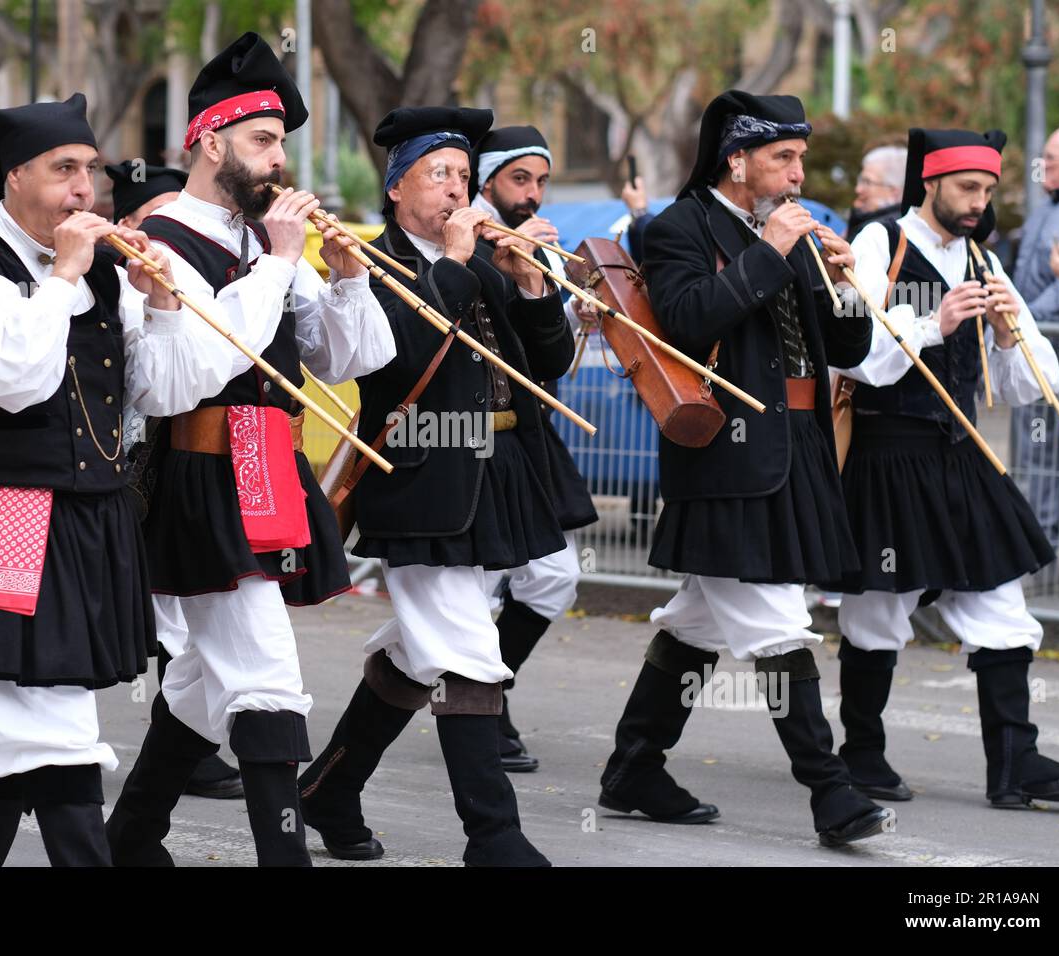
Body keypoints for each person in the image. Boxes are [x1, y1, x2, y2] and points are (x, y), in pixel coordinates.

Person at [0, 93, 230, 866]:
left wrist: (162, 310)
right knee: (36, 719)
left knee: (19, 721)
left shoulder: (110, 279)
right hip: (10, 512)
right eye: (63, 170)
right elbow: (18, 379)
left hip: (96, 517)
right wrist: (62, 275)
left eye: (90, 169)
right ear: (14, 179)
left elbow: (163, 394)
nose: (85, 189)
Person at [103, 32, 394, 867]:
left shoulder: (265, 240)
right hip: (198, 471)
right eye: (263, 141)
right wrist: (278, 264)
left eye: (280, 144)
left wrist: (344, 275)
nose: (277, 160)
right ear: (208, 141)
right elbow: (192, 371)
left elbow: (350, 360)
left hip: (268, 462)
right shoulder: (161, 237)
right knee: (264, 674)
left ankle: (129, 837)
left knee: (202, 677)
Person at [597, 89, 891, 847]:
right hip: (725, 455)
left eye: (800, 159)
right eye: (783, 159)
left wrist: (847, 280)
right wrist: (771, 254)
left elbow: (847, 350)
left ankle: (633, 768)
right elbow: (691, 321)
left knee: (698, 620)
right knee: (773, 620)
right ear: (737, 161)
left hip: (796, 448)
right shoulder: (679, 227)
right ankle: (832, 794)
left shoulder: (782, 232)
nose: (798, 175)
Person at [299, 105, 571, 867]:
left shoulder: (482, 258)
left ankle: (329, 790)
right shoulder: (372, 260)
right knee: (464, 648)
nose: (455, 191)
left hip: (496, 475)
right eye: (438, 175)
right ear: (397, 187)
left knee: (421, 656)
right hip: (420, 478)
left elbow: (545, 366)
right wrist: (452, 264)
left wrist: (530, 284)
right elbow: (399, 356)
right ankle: (494, 837)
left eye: (462, 176)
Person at [834, 127, 1059, 810]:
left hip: (961, 451)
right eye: (968, 188)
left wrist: (1009, 336)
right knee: (878, 612)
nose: (980, 202)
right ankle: (860, 755)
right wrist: (932, 323)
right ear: (932, 183)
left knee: (1002, 608)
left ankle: (1015, 763)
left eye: (988, 189)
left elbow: (1028, 386)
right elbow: (851, 353)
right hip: (887, 453)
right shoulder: (879, 244)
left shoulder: (984, 257)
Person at [105, 157, 244, 800]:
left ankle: (182, 759)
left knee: (180, 620)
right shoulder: (106, 277)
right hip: (121, 454)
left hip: (166, 450)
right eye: (143, 222)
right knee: (164, 613)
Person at [470, 124, 597, 772]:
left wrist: (563, 300)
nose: (533, 194)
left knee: (553, 575)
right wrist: (501, 261)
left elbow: (546, 359)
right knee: (476, 590)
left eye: (542, 181)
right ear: (487, 180)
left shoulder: (537, 248)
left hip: (525, 436)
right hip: (463, 441)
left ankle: (491, 690)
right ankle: (477, 708)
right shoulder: (463, 238)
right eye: (521, 179)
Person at [1011, 126, 1059, 603]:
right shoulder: (1044, 212)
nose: (1043, 166)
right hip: (1035, 365)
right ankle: (1036, 567)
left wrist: (1021, 318)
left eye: (1052, 158)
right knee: (1037, 467)